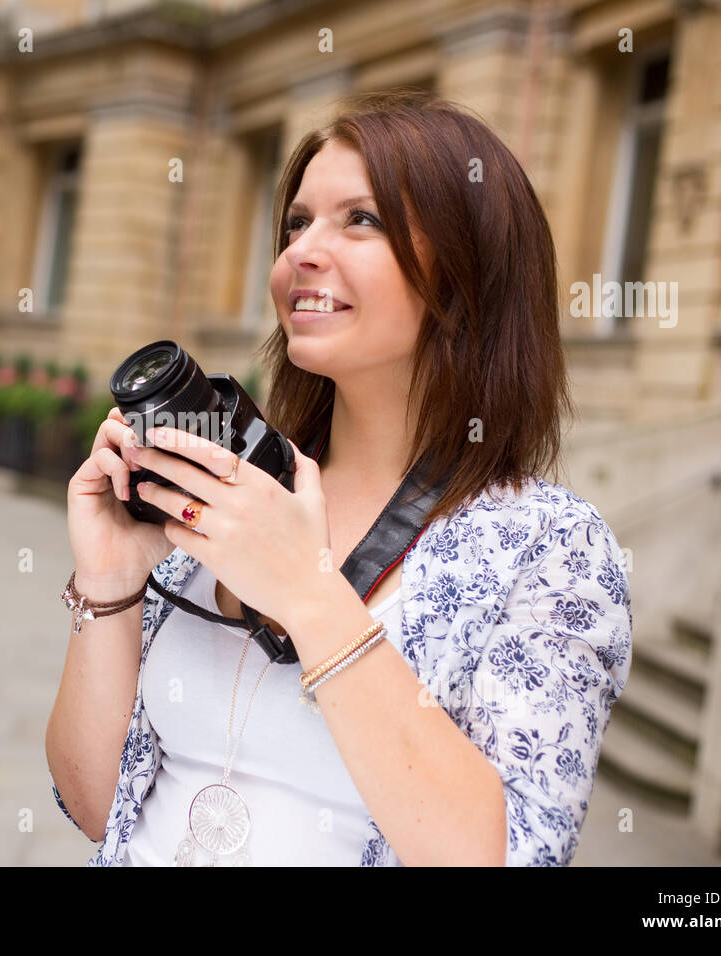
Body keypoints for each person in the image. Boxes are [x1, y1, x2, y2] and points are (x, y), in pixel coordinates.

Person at [45, 90, 632, 866]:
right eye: (296, 223)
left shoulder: (550, 547)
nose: (301, 253)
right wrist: (111, 578)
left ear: (466, 272)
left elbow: (514, 855)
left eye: (362, 219)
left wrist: (311, 594)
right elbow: (92, 803)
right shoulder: (236, 482)